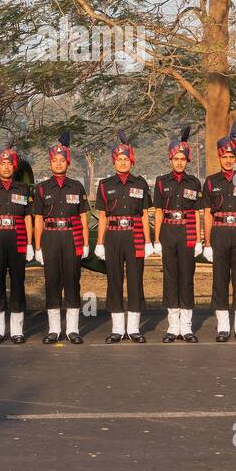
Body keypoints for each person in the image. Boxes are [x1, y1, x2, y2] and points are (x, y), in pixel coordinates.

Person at [93, 131, 153, 343]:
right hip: (113, 237)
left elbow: (145, 215)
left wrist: (148, 241)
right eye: (119, 159)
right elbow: (102, 216)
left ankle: (134, 329)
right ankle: (118, 329)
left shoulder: (140, 184)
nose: (123, 162)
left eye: (126, 159)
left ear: (131, 161)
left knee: (136, 281)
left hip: (135, 235)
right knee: (115, 281)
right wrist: (100, 242)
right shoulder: (105, 185)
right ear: (114, 162)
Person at [150, 125, 205, 342]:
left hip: (188, 232)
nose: (179, 162)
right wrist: (157, 240)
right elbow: (159, 212)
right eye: (176, 158)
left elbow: (199, 212)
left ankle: (187, 326)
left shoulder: (194, 182)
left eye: (183, 158)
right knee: (171, 278)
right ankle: (173, 327)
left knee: (187, 277)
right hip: (169, 233)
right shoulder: (161, 182)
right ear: (170, 160)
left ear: (187, 160)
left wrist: (200, 238)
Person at [33, 132, 89, 344]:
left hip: (71, 238)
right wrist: (38, 247)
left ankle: (73, 329)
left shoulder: (77, 186)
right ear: (50, 163)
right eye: (54, 160)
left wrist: (84, 243)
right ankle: (54, 329)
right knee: (52, 283)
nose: (58, 163)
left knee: (73, 282)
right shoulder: (42, 188)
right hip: (50, 239)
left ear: (68, 162)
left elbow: (83, 217)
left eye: (62, 160)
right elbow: (38, 219)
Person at [203, 123, 236, 342]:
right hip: (219, 232)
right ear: (219, 157)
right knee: (220, 280)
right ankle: (223, 326)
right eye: (224, 156)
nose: (228, 160)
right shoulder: (210, 182)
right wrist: (207, 243)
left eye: (231, 156)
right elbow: (207, 214)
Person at [0, 139, 35, 344]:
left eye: (9, 163)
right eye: (2, 163)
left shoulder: (23, 190)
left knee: (18, 283)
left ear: (14, 166)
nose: (6, 166)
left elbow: (28, 218)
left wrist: (30, 244)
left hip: (18, 238)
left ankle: (17, 330)